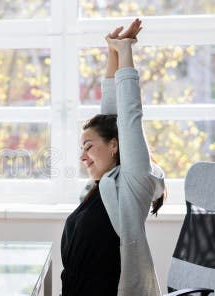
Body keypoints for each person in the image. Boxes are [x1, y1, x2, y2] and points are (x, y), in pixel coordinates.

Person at [60, 18, 167, 296]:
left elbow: (130, 114)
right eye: (81, 149)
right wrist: (112, 52)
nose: (82, 157)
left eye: (88, 146)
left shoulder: (131, 184)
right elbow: (111, 115)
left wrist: (127, 49)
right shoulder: (107, 185)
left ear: (114, 146)